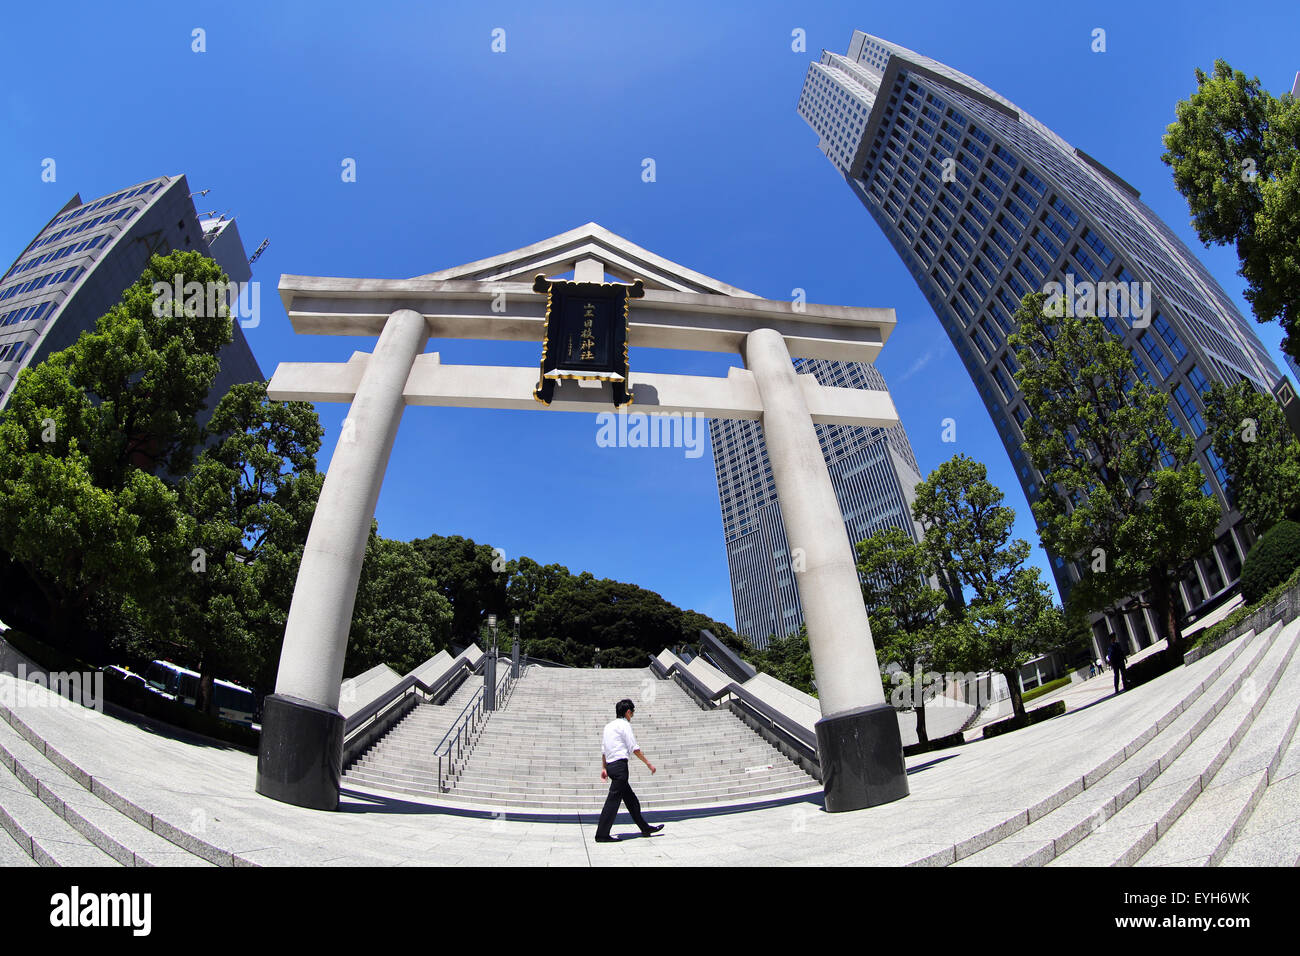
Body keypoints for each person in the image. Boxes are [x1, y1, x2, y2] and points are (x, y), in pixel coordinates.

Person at [594, 698, 664, 843]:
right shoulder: (624, 725)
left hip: (612, 766)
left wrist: (604, 768)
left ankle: (645, 828)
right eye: (632, 713)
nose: (632, 715)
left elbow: (604, 750)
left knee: (631, 800)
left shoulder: (608, 726)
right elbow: (634, 748)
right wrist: (648, 764)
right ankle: (601, 834)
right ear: (627, 712)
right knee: (612, 802)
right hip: (620, 767)